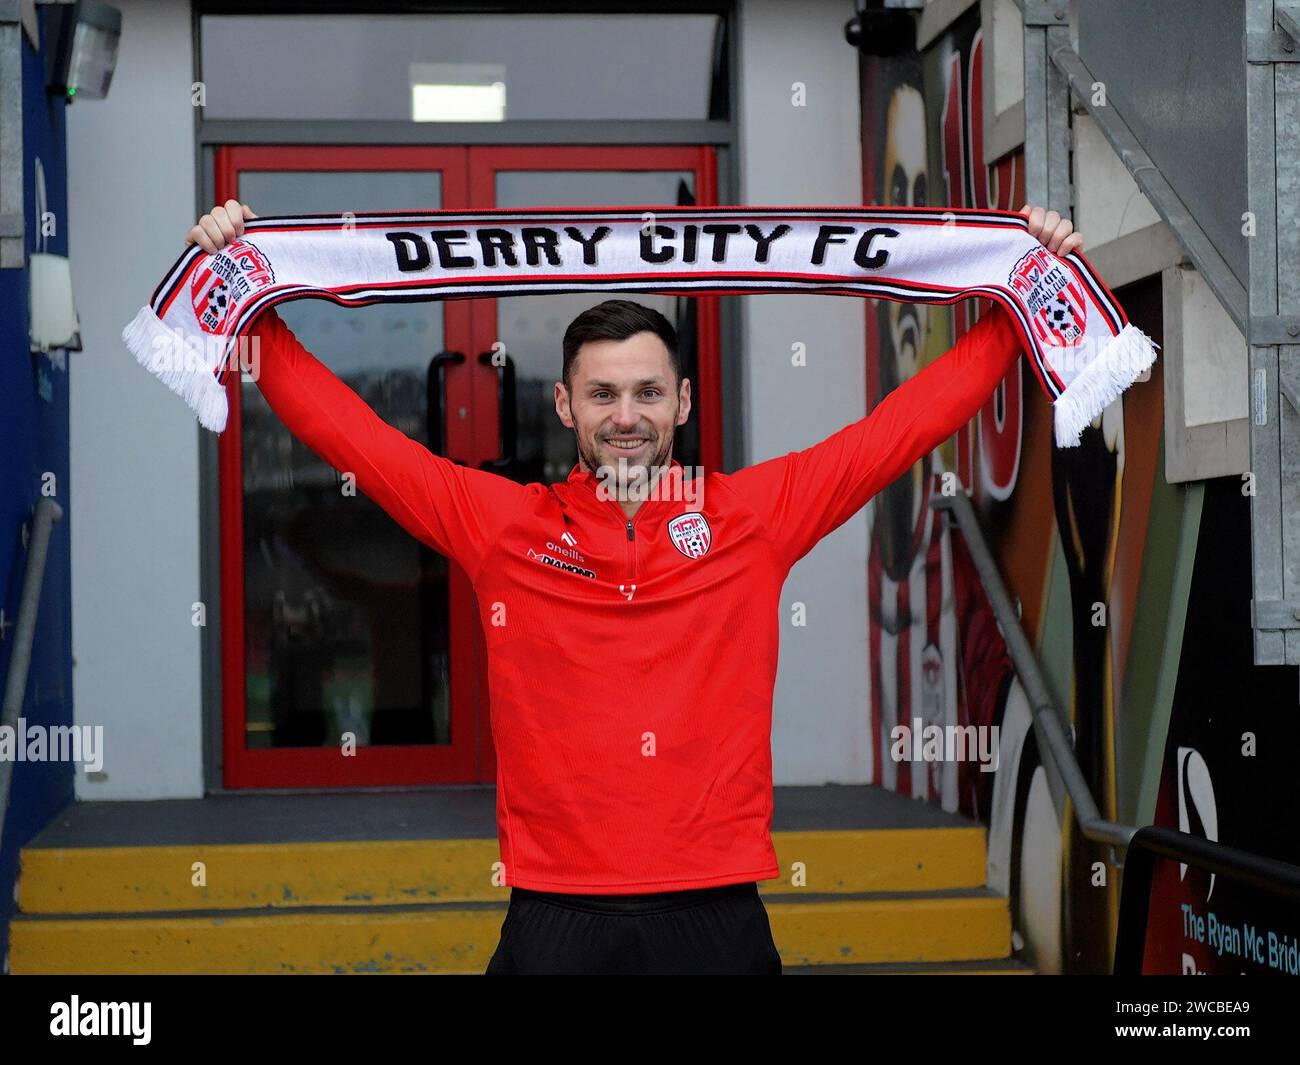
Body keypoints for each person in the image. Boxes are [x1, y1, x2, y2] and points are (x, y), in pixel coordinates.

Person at [187, 200, 1081, 975]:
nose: (627, 417)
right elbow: (352, 437)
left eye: (649, 392)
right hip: (554, 915)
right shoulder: (502, 524)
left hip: (715, 915)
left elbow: (905, 424)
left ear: (683, 403)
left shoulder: (753, 516)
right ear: (566, 406)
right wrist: (246, 301)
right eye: (604, 394)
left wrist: (1024, 294)